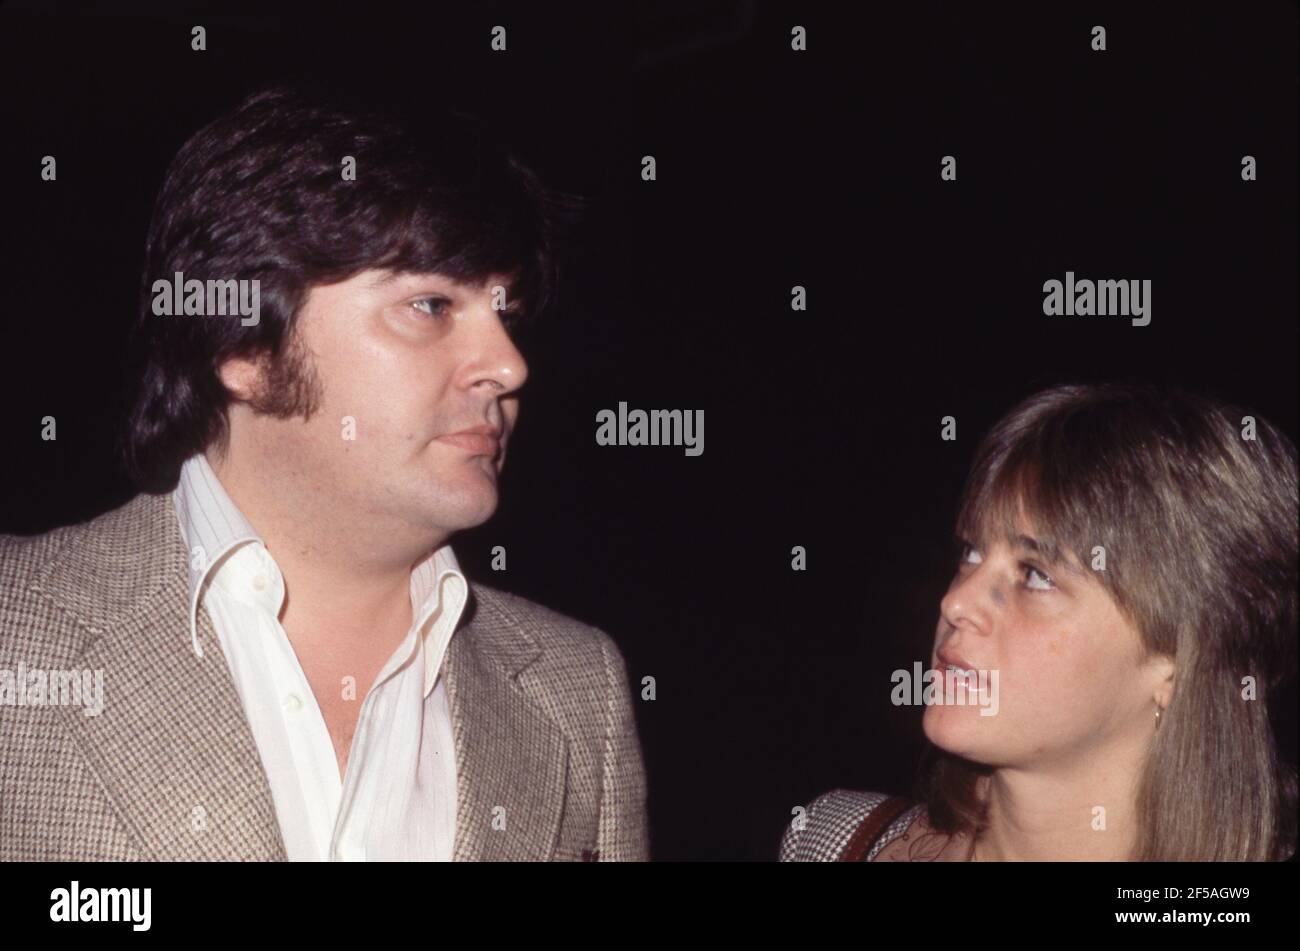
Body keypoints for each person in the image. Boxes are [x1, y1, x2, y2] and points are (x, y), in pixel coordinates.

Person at [0, 85, 649, 861]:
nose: (508, 364)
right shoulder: (15, 632)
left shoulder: (581, 694)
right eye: (433, 306)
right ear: (242, 345)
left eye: (505, 314)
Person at [781, 381, 1297, 861]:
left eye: (1035, 576)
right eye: (971, 551)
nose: (956, 602)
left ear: (1178, 661)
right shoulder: (832, 841)